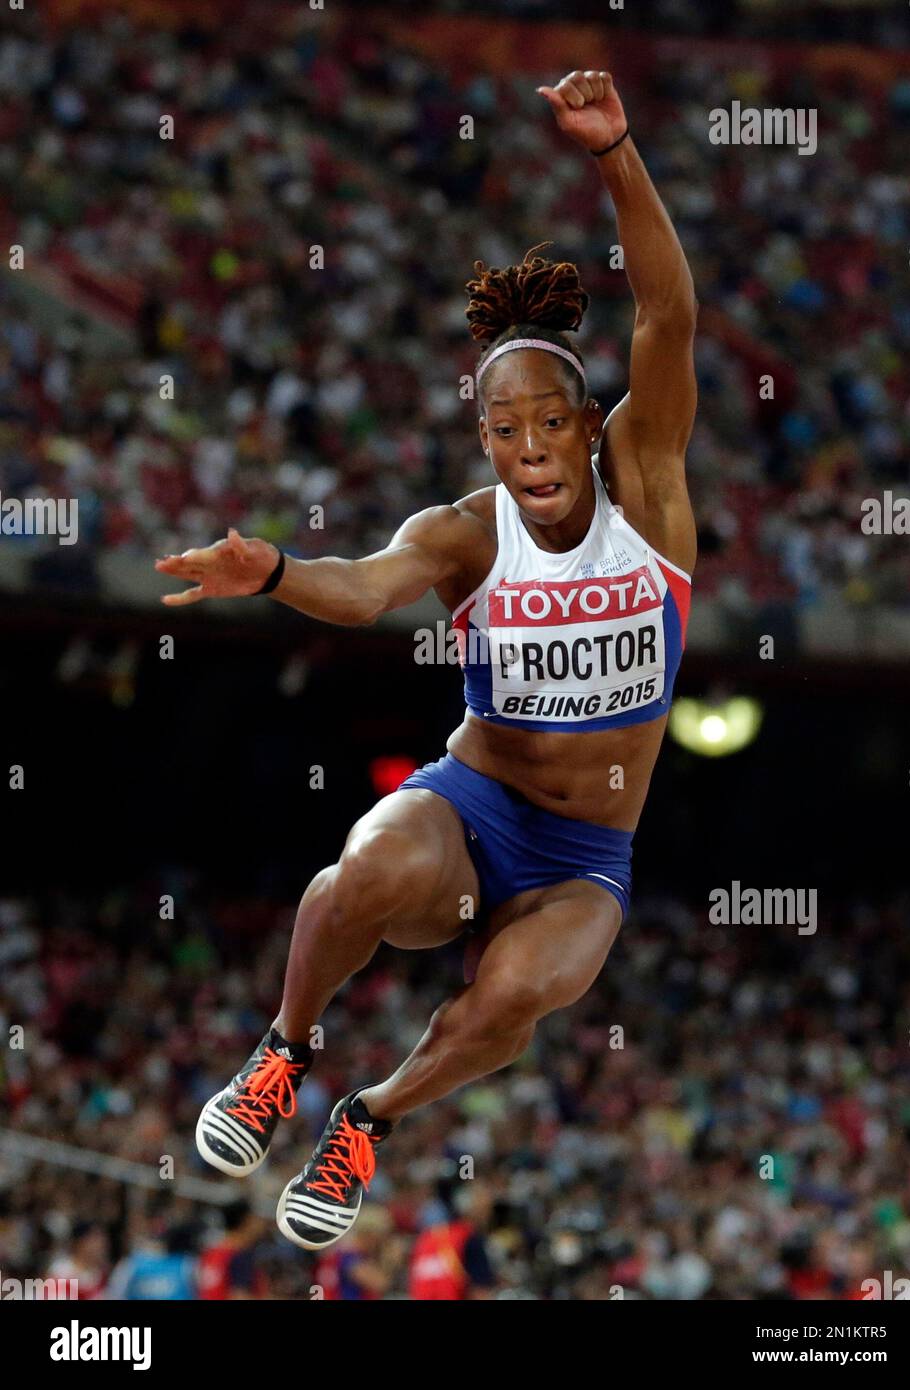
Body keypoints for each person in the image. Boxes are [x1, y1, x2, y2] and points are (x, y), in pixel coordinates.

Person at [156, 70, 697, 1256]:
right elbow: (364, 585)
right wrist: (276, 570)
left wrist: (613, 155)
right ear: (483, 439)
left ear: (589, 425)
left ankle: (367, 1119)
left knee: (518, 995)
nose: (530, 449)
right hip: (475, 806)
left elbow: (666, 316)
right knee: (368, 865)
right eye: (504, 430)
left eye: (549, 423)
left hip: (581, 857)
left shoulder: (648, 493)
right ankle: (284, 1051)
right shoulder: (465, 533)